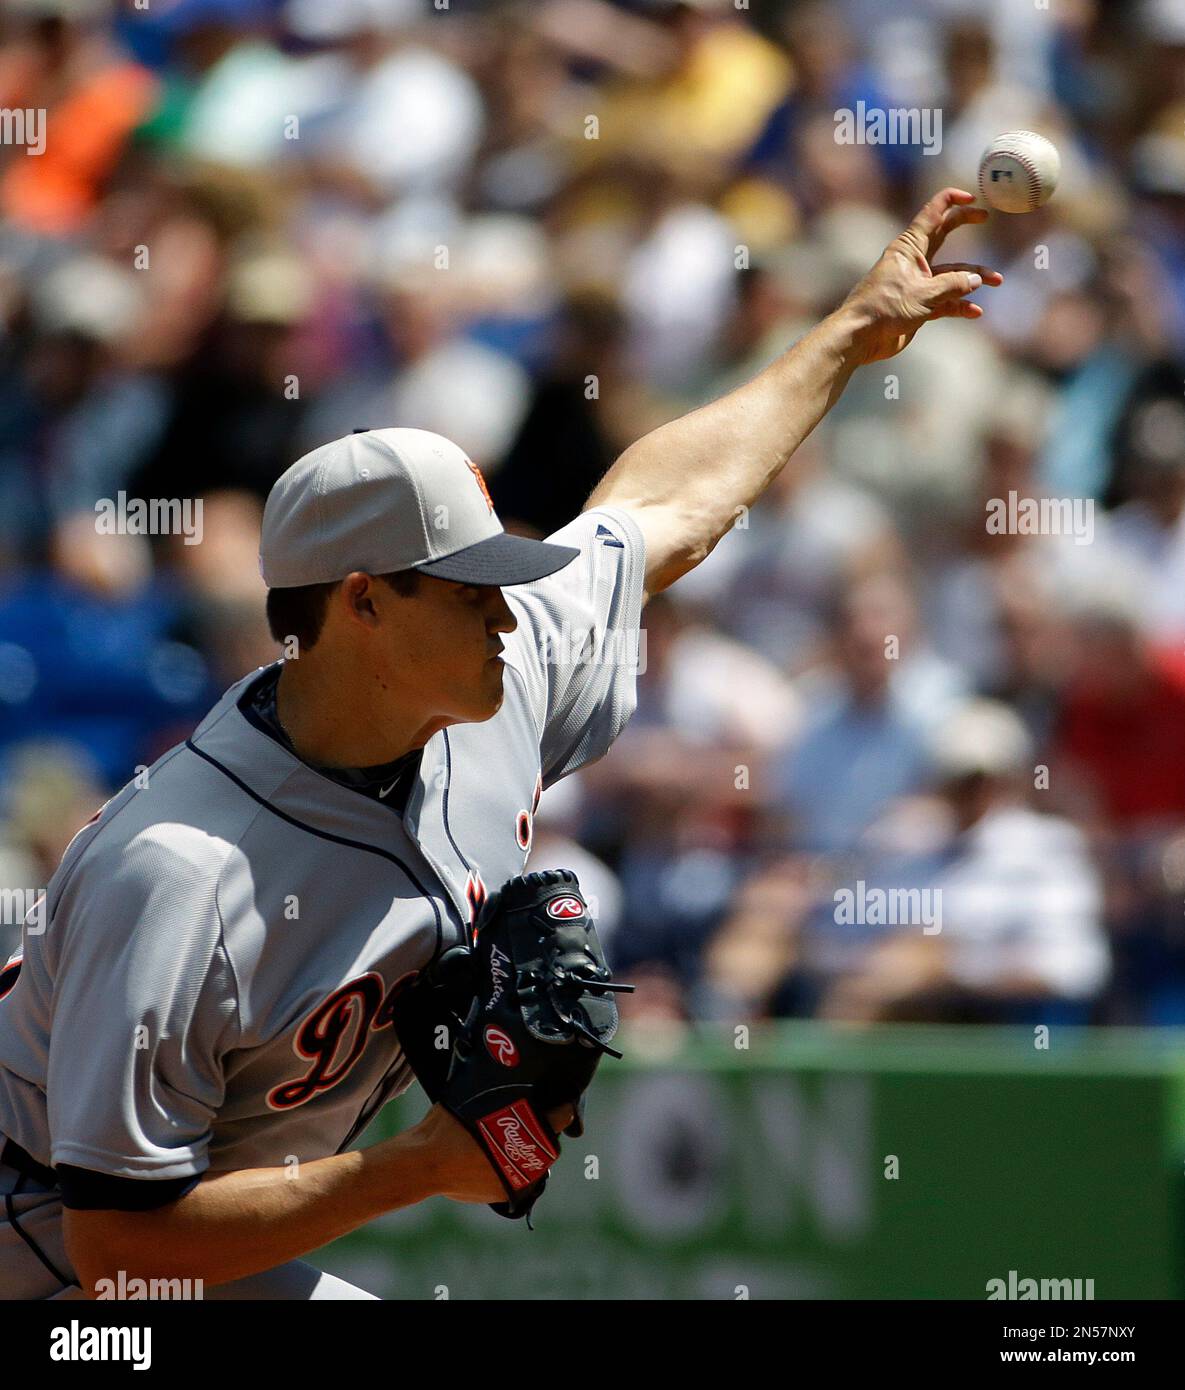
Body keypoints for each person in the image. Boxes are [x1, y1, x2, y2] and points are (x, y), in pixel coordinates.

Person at [0, 188, 999, 1300]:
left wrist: (846, 339)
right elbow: (118, 1250)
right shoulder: (180, 871)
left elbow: (662, 508)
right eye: (470, 589)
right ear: (365, 604)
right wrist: (417, 1168)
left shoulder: (491, 681)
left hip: (195, 1233)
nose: (508, 614)